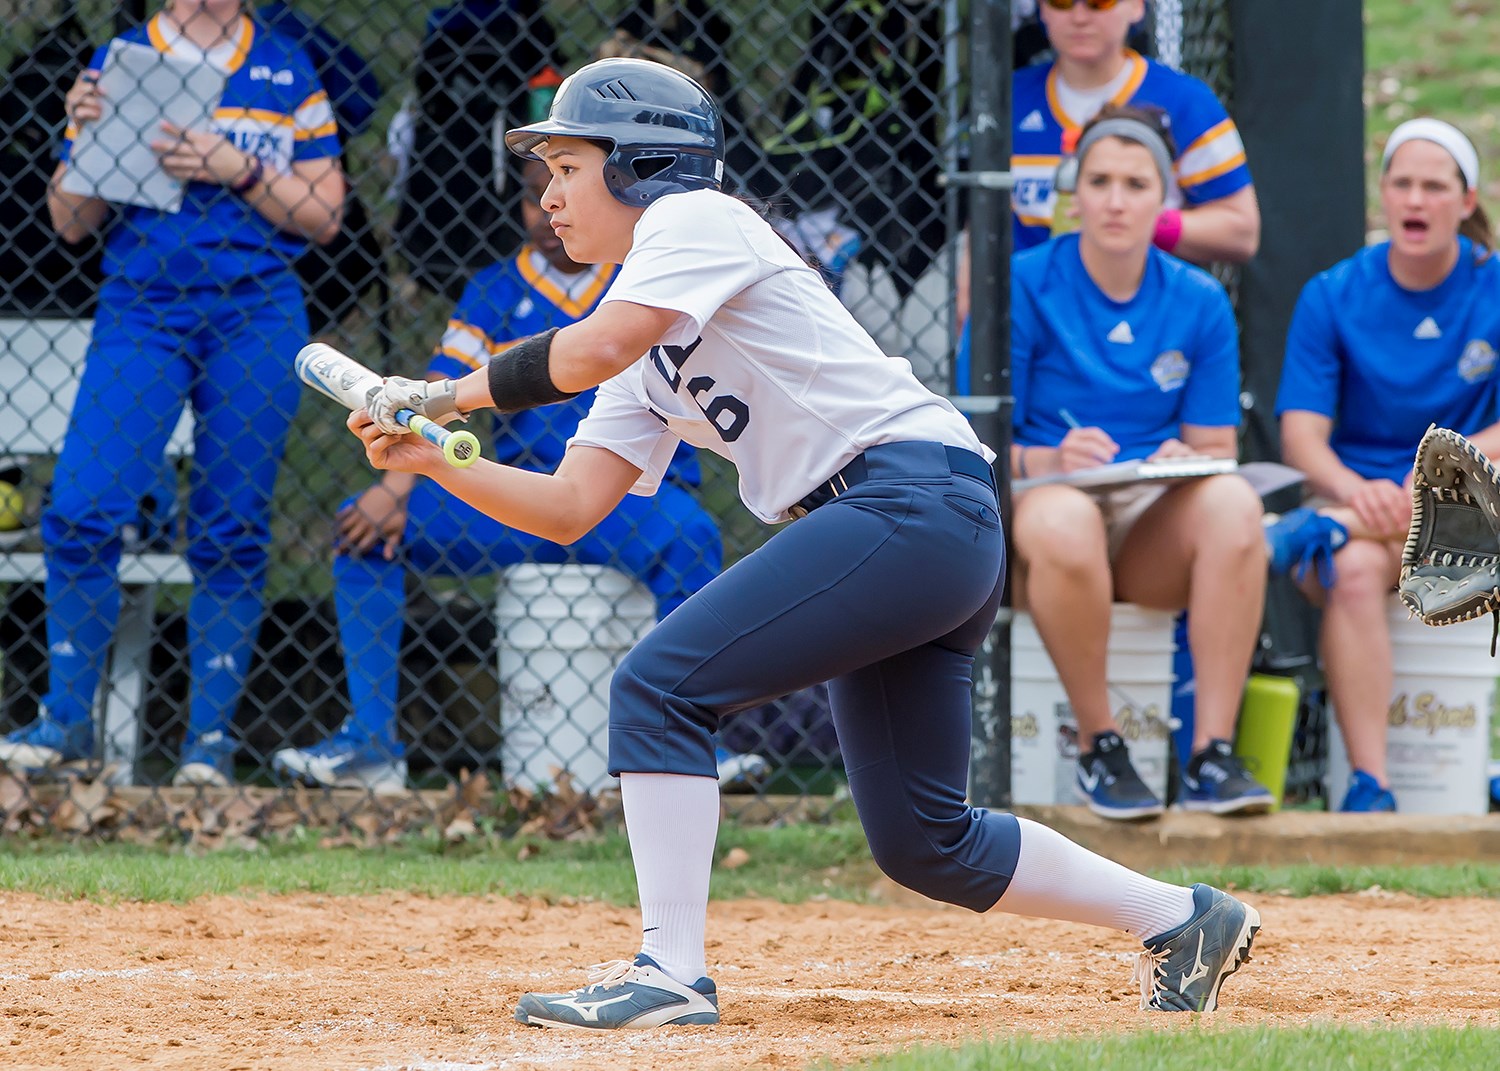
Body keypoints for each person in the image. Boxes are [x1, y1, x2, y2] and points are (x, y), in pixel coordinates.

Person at [351, 57, 1260, 1028]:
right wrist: (437, 459)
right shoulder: (639, 324)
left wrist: (440, 392)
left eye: (570, 166)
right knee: (923, 840)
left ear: (642, 165)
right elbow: (573, 504)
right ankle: (1185, 919)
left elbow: (589, 352)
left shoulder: (692, 223)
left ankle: (668, 971)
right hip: (912, 526)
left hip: (904, 505)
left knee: (657, 686)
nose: (551, 192)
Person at [272, 159, 764, 793]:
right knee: (366, 533)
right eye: (532, 199)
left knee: (691, 533)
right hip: (518, 498)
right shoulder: (495, 287)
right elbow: (437, 385)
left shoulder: (642, 274)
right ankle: (371, 746)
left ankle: (694, 748)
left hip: (626, 504)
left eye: (557, 192)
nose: (545, 212)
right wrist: (390, 492)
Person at [0, 0, 344, 785]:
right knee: (82, 510)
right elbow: (68, 219)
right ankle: (63, 723)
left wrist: (241, 168)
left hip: (255, 311)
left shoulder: (284, 65)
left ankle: (207, 748)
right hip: (141, 310)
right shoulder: (121, 58)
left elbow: (326, 214)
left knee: (229, 526)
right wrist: (88, 134)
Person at [981, 105, 1271, 821]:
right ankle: (1100, 747)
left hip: (1144, 515)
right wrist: (1049, 452)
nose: (1115, 199)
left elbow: (1217, 447)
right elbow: (971, 433)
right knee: (1067, 519)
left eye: (1136, 183)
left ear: (1165, 199)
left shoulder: (1200, 298)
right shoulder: (1021, 281)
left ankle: (1211, 755)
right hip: (1042, 504)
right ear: (1073, 194)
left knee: (1235, 503)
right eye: (1099, 180)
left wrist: (1187, 458)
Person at [1269, 118, 1500, 813]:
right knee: (1357, 568)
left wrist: (1437, 479)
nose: (1416, 199)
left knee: (1356, 545)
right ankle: (1372, 786)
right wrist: (1355, 492)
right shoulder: (1333, 293)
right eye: (1402, 183)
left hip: (1473, 497)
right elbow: (1302, 437)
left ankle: (1332, 527)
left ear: (1466, 201)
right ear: (1383, 194)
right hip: (1367, 500)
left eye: (1435, 185)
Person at [955, 0, 1260, 326]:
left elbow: (1241, 231)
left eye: (1099, 3)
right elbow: (982, 219)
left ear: (1137, 8)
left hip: (1146, 324)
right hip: (1032, 321)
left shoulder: (1186, 102)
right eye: (1061, 2)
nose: (1079, 16)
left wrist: (1138, 221)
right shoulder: (1007, 98)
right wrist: (968, 298)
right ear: (1041, 10)